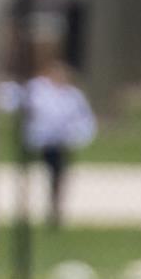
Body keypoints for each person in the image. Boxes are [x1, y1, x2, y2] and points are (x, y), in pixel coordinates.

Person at [23, 60, 96, 229]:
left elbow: (84, 120)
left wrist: (76, 136)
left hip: (60, 142)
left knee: (57, 175)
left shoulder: (74, 96)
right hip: (37, 140)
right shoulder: (37, 91)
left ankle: (54, 210)